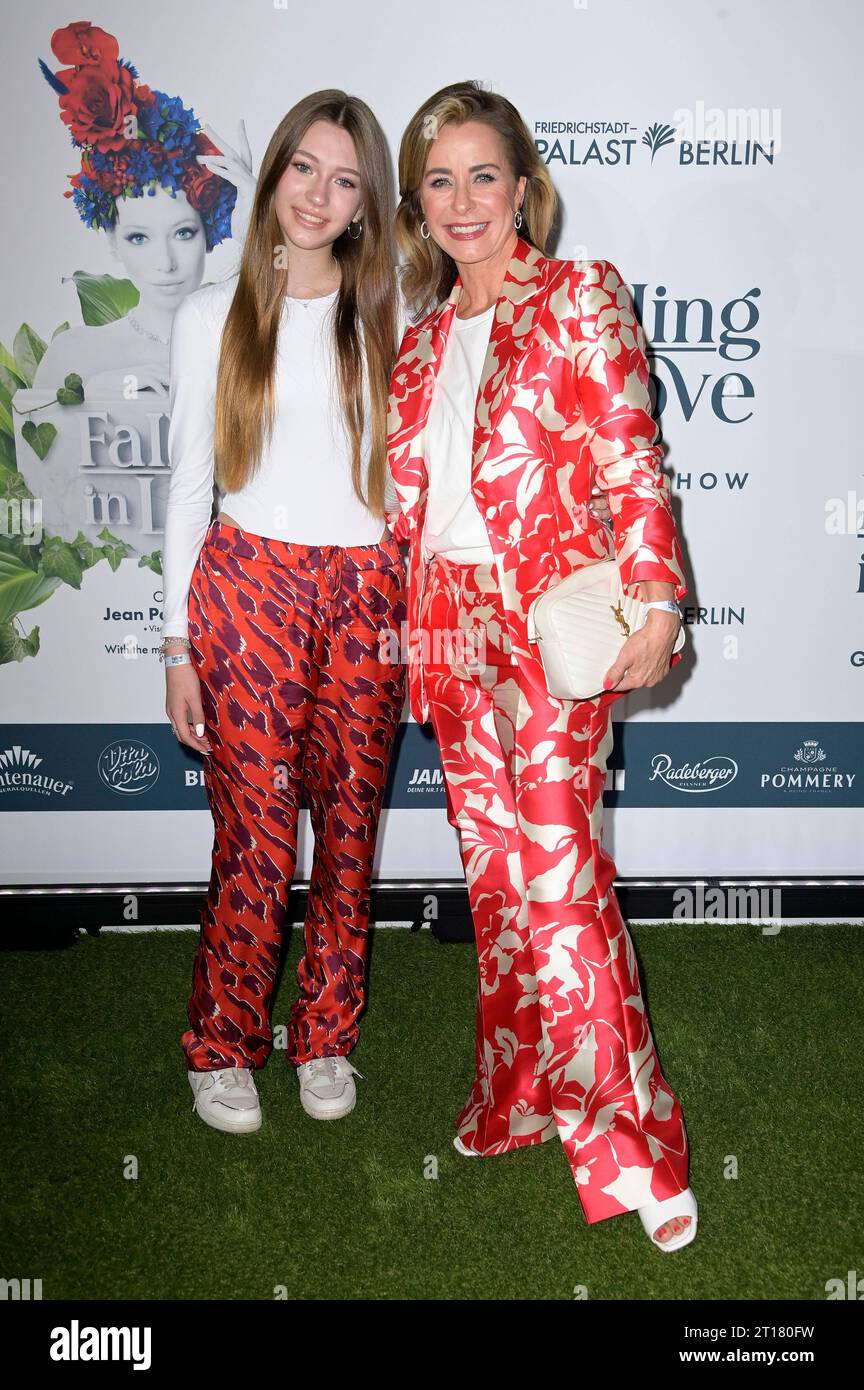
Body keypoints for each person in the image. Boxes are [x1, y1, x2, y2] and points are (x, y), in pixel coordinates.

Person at [385, 81, 697, 1252]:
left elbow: (631, 454)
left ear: (524, 187)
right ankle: (518, 1094)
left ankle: (634, 1148)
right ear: (418, 203)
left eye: (483, 175)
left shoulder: (579, 298)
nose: (463, 201)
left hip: (551, 625)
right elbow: (415, 515)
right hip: (452, 628)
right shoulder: (418, 343)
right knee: (498, 882)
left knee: (563, 884)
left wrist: (657, 593)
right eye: (439, 180)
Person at [160, 91, 407, 1133]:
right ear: (273, 175)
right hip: (246, 586)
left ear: (365, 203)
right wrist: (176, 643)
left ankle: (326, 1037)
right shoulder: (209, 312)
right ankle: (222, 1045)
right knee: (254, 839)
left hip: (368, 586)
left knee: (349, 836)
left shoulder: (397, 311)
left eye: (345, 179)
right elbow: (184, 485)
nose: (319, 193)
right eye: (305, 167)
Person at [34, 20, 249, 397]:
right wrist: (97, 394)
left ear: (210, 231)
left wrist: (257, 226)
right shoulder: (73, 357)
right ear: (113, 241)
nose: (165, 263)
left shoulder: (253, 348)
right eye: (138, 237)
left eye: (183, 233)